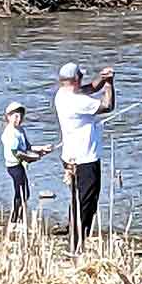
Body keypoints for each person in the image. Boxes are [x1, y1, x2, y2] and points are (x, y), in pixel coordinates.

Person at [54, 62, 115, 253]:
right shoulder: (78, 102)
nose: (83, 80)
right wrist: (110, 85)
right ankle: (76, 246)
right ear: (75, 80)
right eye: (80, 77)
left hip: (70, 158)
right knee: (86, 204)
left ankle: (74, 239)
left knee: (77, 200)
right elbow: (108, 106)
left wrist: (102, 79)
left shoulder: (62, 95)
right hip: (85, 160)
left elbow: (88, 89)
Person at [1, 101, 52, 226]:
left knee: (25, 193)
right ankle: (15, 220)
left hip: (20, 165)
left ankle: (19, 219)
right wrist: (32, 158)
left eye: (21, 116)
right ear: (8, 117)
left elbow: (27, 147)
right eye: (15, 116)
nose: (18, 119)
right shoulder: (10, 133)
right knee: (21, 193)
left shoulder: (20, 130)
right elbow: (18, 153)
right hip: (14, 166)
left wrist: (42, 148)